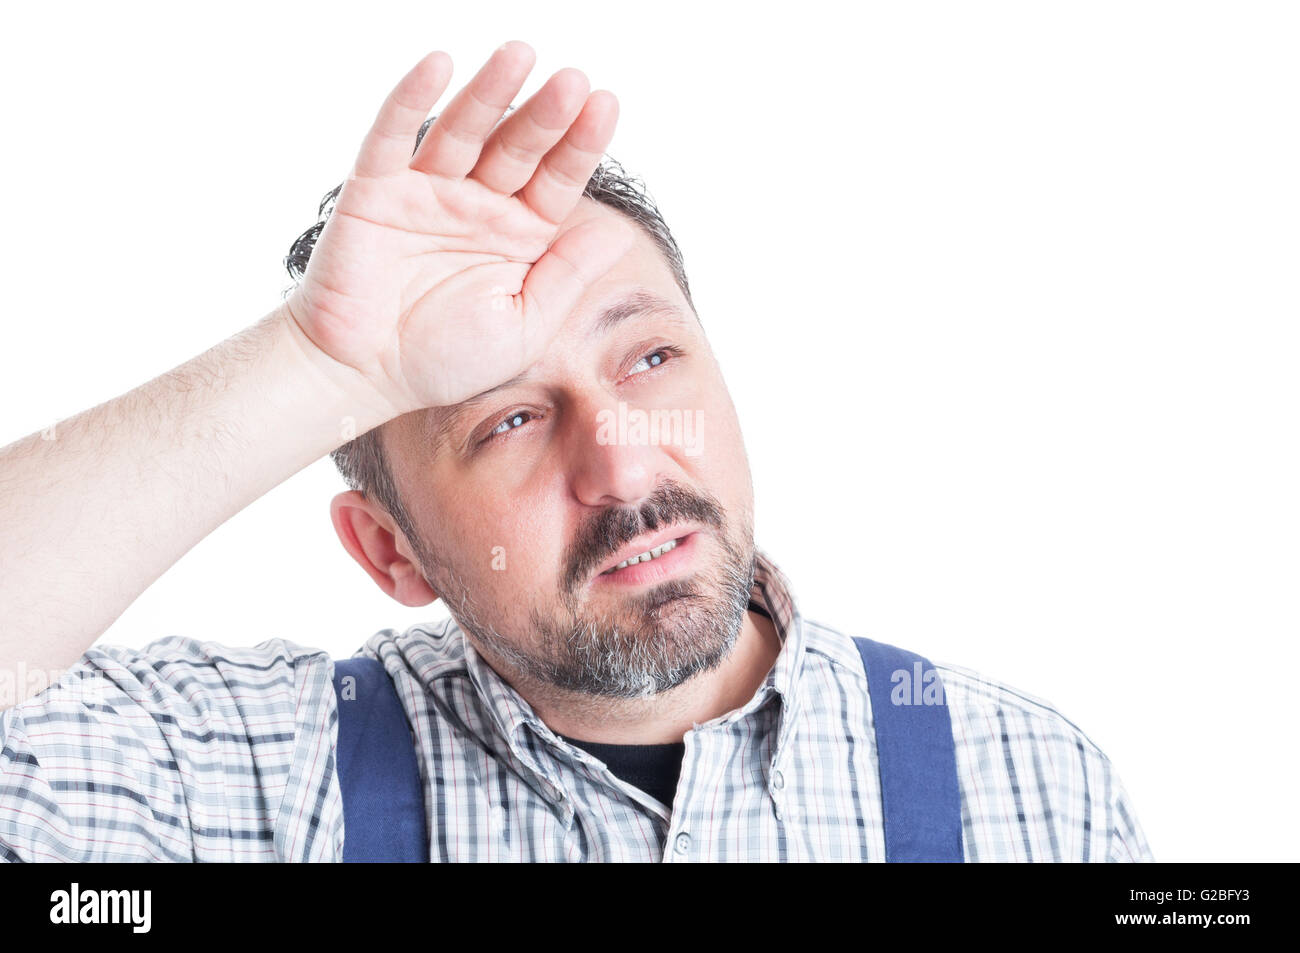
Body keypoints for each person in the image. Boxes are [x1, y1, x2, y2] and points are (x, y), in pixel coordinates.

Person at [0, 41, 1152, 862]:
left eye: (650, 359)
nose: (625, 464)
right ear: (389, 550)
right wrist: (319, 363)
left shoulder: (1023, 786)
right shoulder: (254, 784)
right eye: (506, 418)